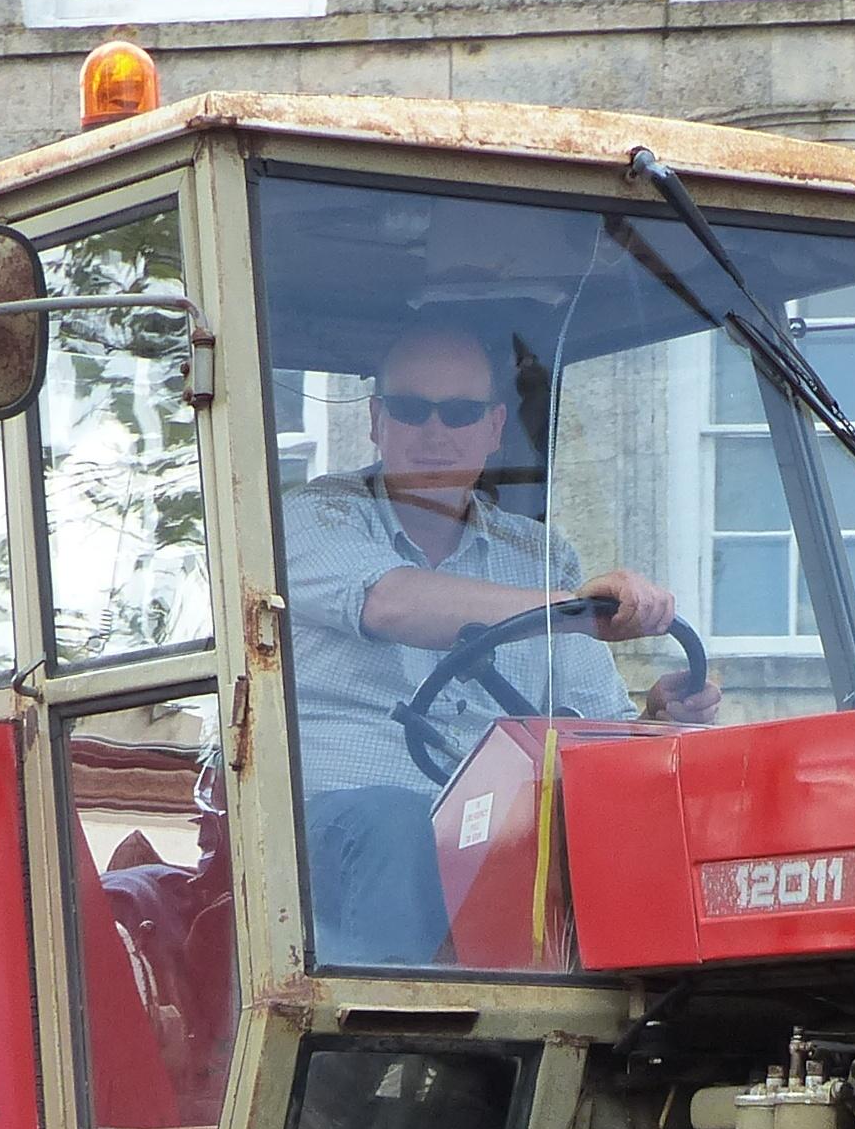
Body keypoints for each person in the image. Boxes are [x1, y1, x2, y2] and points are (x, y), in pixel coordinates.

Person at [283, 322, 709, 965]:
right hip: (315, 845)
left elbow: (598, 725)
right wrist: (572, 610)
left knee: (627, 829)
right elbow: (388, 601)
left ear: (491, 427)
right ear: (375, 419)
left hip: (493, 838)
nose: (433, 432)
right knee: (394, 824)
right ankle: (377, 1047)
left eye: (457, 413)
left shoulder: (536, 556)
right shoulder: (315, 517)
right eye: (408, 409)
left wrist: (656, 719)